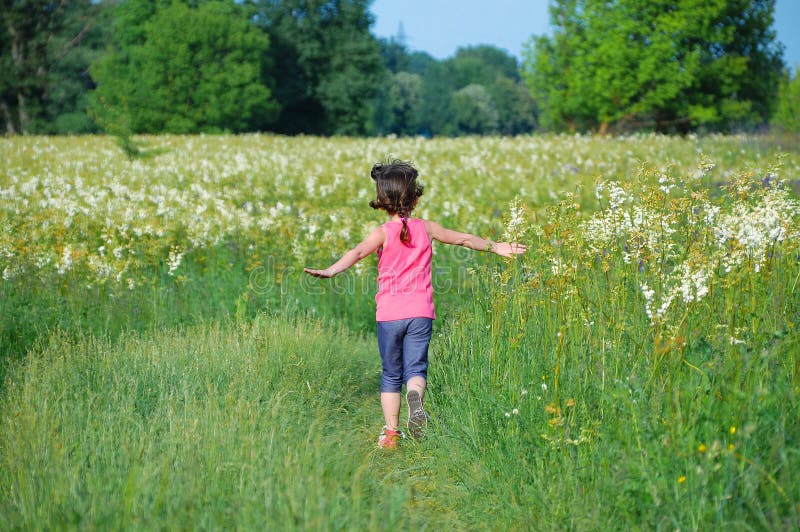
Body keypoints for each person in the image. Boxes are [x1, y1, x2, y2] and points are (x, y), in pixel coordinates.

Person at [304, 159, 526, 449]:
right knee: (416, 369)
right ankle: (415, 398)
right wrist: (496, 246)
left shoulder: (382, 232)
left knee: (390, 373)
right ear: (416, 198)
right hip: (421, 312)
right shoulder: (428, 228)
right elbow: (462, 239)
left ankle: (391, 434)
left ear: (382, 202)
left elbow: (357, 252)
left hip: (390, 314)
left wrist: (331, 270)